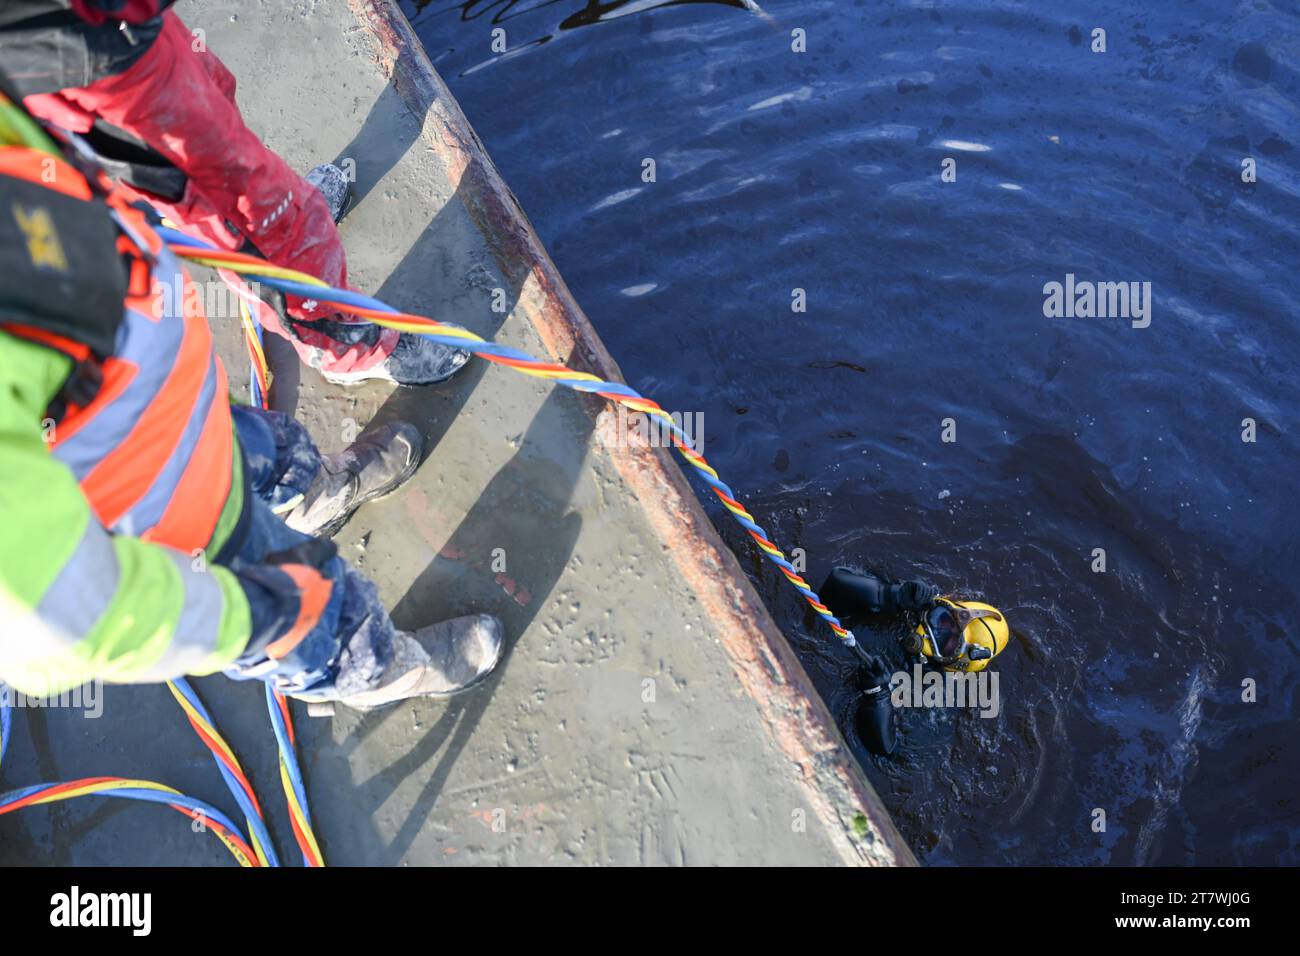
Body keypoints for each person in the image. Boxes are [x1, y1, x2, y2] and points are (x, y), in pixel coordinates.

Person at [0, 87, 501, 706]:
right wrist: (239, 618)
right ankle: (392, 671)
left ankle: (322, 496)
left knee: (286, 451)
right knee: (328, 626)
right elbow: (53, 621)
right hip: (182, 531)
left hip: (196, 422)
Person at [0, 0, 468, 385]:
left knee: (212, 91)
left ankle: (277, 240)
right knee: (259, 217)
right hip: (77, 55)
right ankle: (339, 345)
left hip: (118, 25)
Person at [819, 567, 1009, 755]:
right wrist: (890, 595)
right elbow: (830, 591)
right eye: (942, 621)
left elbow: (888, 751)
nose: (929, 633)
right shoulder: (908, 612)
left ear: (961, 663)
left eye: (946, 642)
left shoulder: (936, 700)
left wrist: (877, 697)